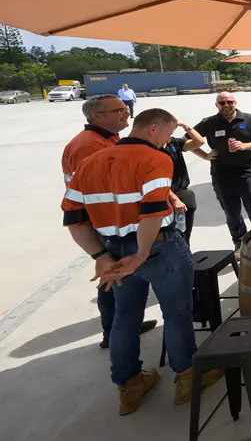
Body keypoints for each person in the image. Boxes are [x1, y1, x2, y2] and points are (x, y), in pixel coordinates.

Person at [62, 109, 223, 415]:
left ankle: (129, 386)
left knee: (125, 315)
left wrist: (100, 256)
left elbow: (73, 217)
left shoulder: (90, 162)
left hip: (113, 249)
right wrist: (140, 254)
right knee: (177, 312)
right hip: (157, 247)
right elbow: (150, 213)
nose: (167, 142)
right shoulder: (155, 159)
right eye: (166, 134)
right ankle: (187, 376)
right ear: (152, 130)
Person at [62, 94, 156, 349]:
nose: (126, 114)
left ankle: (123, 327)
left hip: (116, 220)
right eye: (119, 110)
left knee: (119, 279)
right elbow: (93, 191)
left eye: (125, 109)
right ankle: (114, 333)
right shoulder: (88, 146)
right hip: (108, 225)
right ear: (97, 116)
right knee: (114, 277)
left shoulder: (107, 139)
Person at [193, 92, 251, 252]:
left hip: (246, 171)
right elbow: (187, 141)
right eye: (222, 103)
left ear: (235, 103)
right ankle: (240, 244)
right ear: (216, 105)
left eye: (229, 102)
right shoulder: (210, 122)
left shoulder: (249, 119)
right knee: (232, 213)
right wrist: (204, 155)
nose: (226, 105)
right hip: (221, 174)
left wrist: (244, 146)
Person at [161, 121, 207, 244]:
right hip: (164, 194)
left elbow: (200, 142)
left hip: (182, 192)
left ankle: (185, 249)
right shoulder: (151, 148)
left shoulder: (174, 142)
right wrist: (174, 199)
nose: (170, 133)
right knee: (169, 233)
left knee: (185, 234)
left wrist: (185, 126)